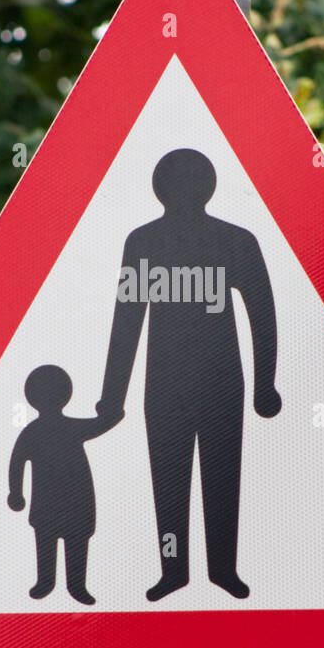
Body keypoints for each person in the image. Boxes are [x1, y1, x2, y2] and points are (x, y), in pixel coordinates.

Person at [95, 148, 280, 602]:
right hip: (164, 384)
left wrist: (265, 385)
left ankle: (223, 570)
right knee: (169, 479)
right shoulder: (143, 242)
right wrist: (113, 396)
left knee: (221, 476)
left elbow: (262, 313)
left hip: (222, 383)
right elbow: (127, 319)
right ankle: (173, 572)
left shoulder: (235, 241)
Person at [8, 364, 119, 605]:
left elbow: (100, 425)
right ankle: (46, 582)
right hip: (49, 503)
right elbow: (17, 461)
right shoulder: (35, 432)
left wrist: (112, 413)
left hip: (75, 502)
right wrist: (15, 493)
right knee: (47, 539)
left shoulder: (59, 428)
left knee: (76, 539)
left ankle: (76, 585)